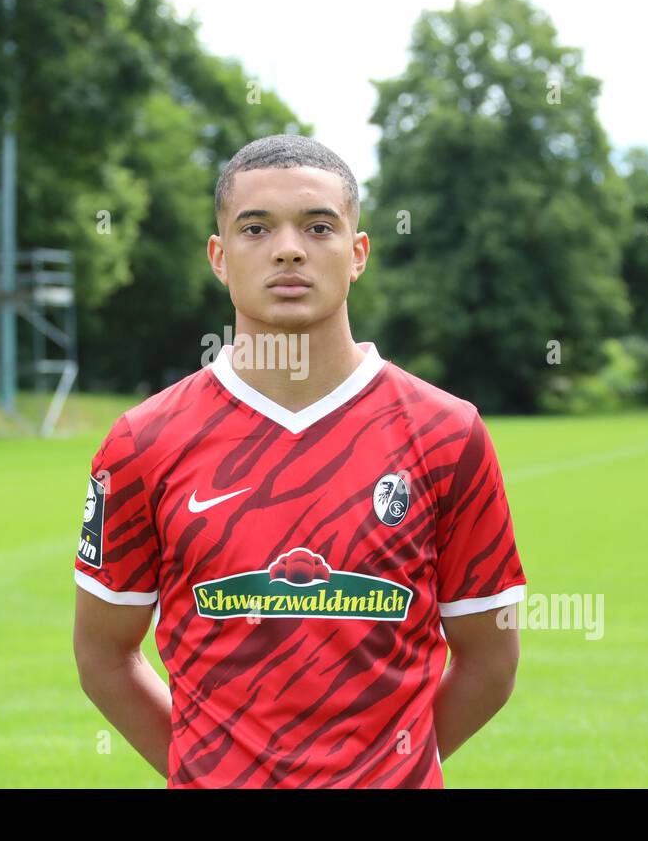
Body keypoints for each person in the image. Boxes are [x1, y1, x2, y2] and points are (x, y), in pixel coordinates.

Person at [73, 133, 527, 788]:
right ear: (220, 257)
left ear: (358, 253)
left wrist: (389, 772)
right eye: (255, 228)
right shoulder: (143, 443)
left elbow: (490, 663)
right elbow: (103, 656)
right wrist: (206, 774)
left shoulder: (448, 434)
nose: (289, 247)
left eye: (318, 226)